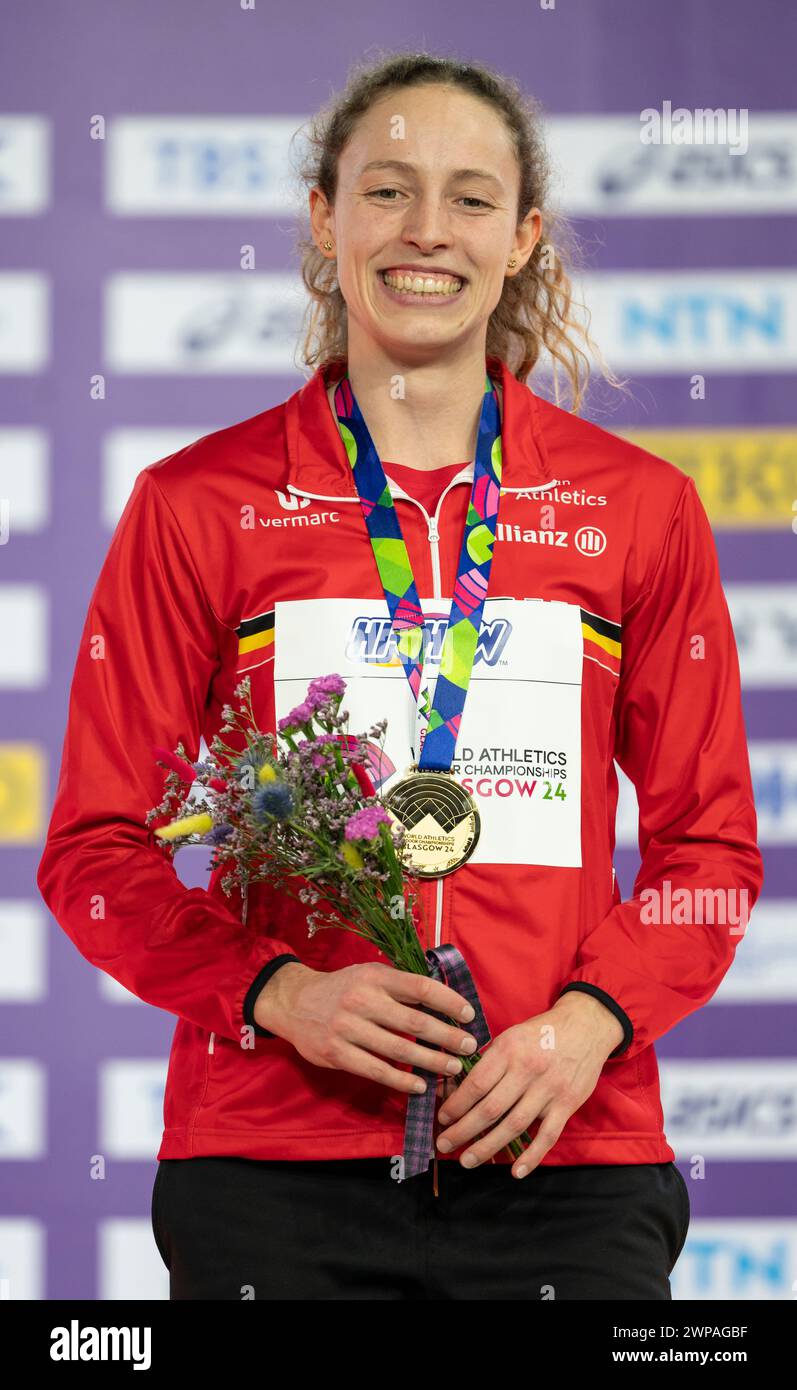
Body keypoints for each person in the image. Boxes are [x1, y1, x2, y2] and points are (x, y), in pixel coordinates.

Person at [37, 52, 763, 1301]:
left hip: (562, 1155)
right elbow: (96, 852)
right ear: (324, 220)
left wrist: (584, 1025)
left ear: (523, 237)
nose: (427, 231)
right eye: (386, 189)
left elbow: (711, 855)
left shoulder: (639, 508)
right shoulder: (193, 507)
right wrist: (276, 993)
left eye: (471, 198)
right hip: (272, 1163)